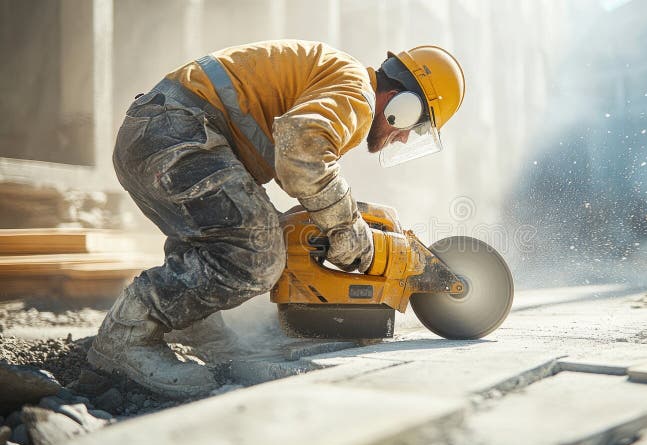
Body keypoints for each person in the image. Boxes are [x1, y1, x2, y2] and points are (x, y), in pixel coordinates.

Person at [87, 40, 465, 397]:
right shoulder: (358, 94)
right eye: (414, 127)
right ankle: (127, 333)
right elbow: (301, 150)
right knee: (257, 251)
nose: (402, 139)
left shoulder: (343, 80)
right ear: (404, 105)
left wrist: (328, 216)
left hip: (159, 130)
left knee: (222, 237)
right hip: (175, 132)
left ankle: (197, 326)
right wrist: (345, 228)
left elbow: (297, 160)